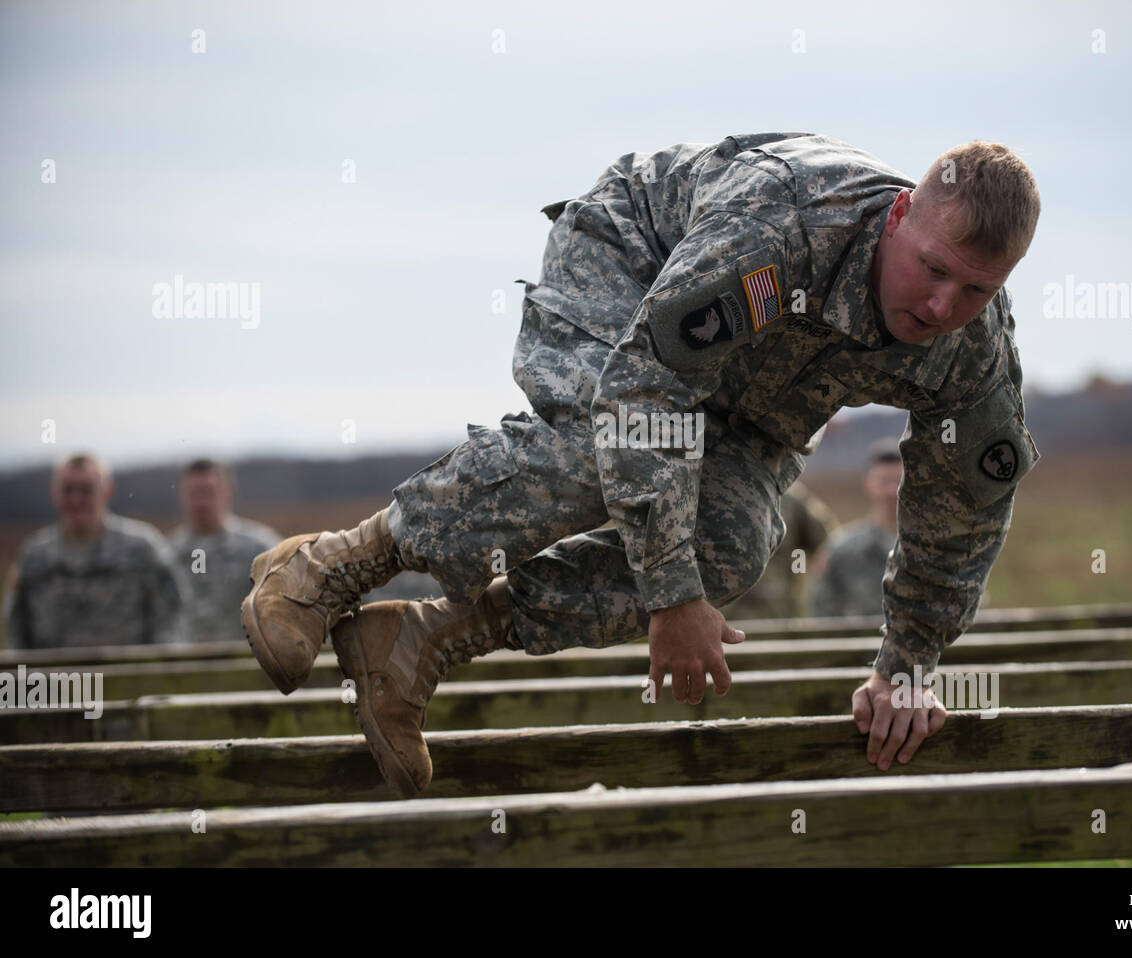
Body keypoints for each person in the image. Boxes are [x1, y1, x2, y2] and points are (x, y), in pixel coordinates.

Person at [241, 132, 1042, 797]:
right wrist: (671, 596)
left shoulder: (974, 352)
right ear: (900, 215)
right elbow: (642, 399)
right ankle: (330, 567)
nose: (942, 307)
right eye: (933, 269)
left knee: (729, 541)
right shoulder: (787, 225)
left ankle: (422, 640)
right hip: (633, 268)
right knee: (606, 452)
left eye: (974, 289)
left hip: (749, 396)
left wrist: (905, 667)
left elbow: (961, 514)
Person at [4, 453, 185, 649]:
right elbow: (17, 634)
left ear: (107, 491)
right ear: (54, 493)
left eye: (86, 489)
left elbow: (171, 624)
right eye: (68, 489)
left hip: (129, 676)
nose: (76, 499)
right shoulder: (34, 557)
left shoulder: (143, 549)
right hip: (58, 679)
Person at [167, 459, 281, 643]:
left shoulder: (261, 549)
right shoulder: (166, 554)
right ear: (182, 495)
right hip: (185, 665)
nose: (201, 503)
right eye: (194, 493)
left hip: (243, 662)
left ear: (227, 493)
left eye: (208, 492)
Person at [809, 437, 904, 617]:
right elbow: (823, 610)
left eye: (899, 481)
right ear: (869, 484)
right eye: (884, 482)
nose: (892, 491)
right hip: (857, 642)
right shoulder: (841, 548)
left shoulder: (933, 547)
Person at [721, 480, 838, 620]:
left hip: (780, 617)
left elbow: (829, 545)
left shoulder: (788, 496)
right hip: (726, 618)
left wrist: (801, 570)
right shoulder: (711, 490)